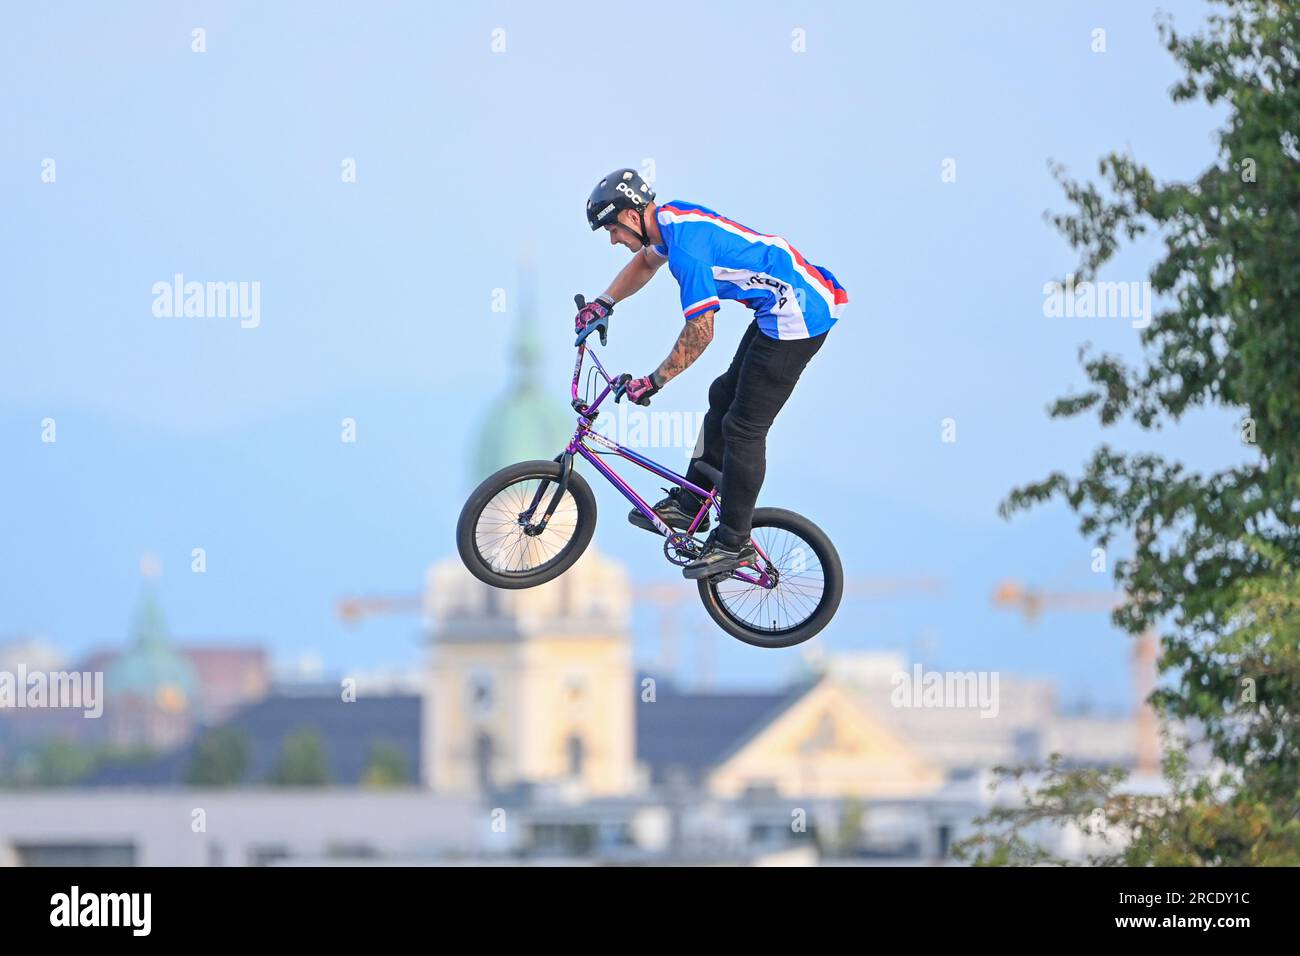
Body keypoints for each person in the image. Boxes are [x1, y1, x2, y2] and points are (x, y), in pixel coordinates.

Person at [576, 168, 847, 579]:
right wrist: (604, 302)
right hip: (777, 308)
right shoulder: (668, 222)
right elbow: (645, 263)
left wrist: (655, 380)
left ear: (631, 216)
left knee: (744, 428)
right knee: (722, 396)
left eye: (612, 229)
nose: (614, 240)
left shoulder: (687, 250)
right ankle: (690, 507)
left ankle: (734, 542)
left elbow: (701, 331)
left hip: (800, 316)